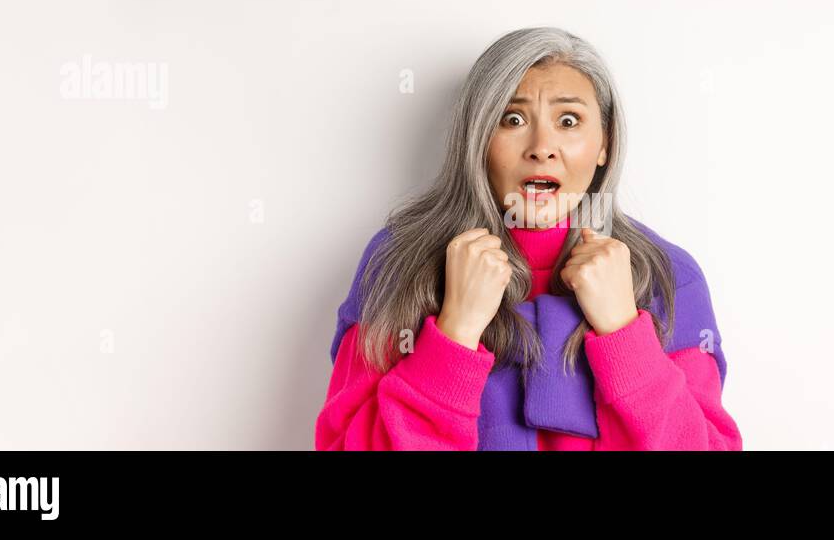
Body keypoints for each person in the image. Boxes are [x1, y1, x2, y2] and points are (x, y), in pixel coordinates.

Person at [315, 27, 741, 450]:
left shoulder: (669, 275)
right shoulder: (399, 262)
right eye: (512, 119)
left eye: (568, 121)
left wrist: (625, 335)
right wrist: (454, 333)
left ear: (604, 144)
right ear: (478, 138)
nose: (541, 147)